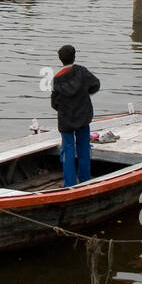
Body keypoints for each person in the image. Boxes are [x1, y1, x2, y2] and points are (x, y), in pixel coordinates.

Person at [49, 45, 101, 187]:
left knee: (68, 150)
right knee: (84, 148)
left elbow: (54, 103)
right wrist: (85, 93)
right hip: (83, 117)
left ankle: (69, 184)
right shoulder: (81, 71)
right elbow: (96, 84)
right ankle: (84, 180)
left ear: (61, 60)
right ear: (74, 56)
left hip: (66, 119)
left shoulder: (57, 79)